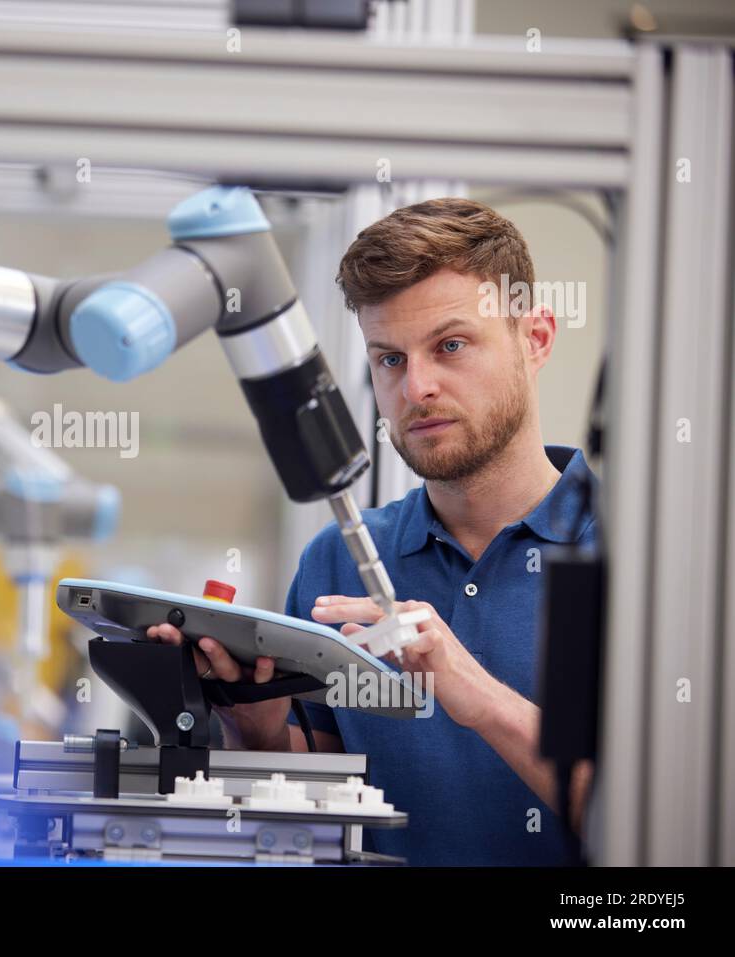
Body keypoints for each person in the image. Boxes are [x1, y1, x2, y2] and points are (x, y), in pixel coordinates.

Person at [148, 198, 595, 865]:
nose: (417, 387)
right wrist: (258, 729)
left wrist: (474, 695)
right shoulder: (340, 560)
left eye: (450, 345)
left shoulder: (634, 555)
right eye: (389, 359)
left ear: (535, 340)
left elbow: (674, 822)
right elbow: (324, 790)